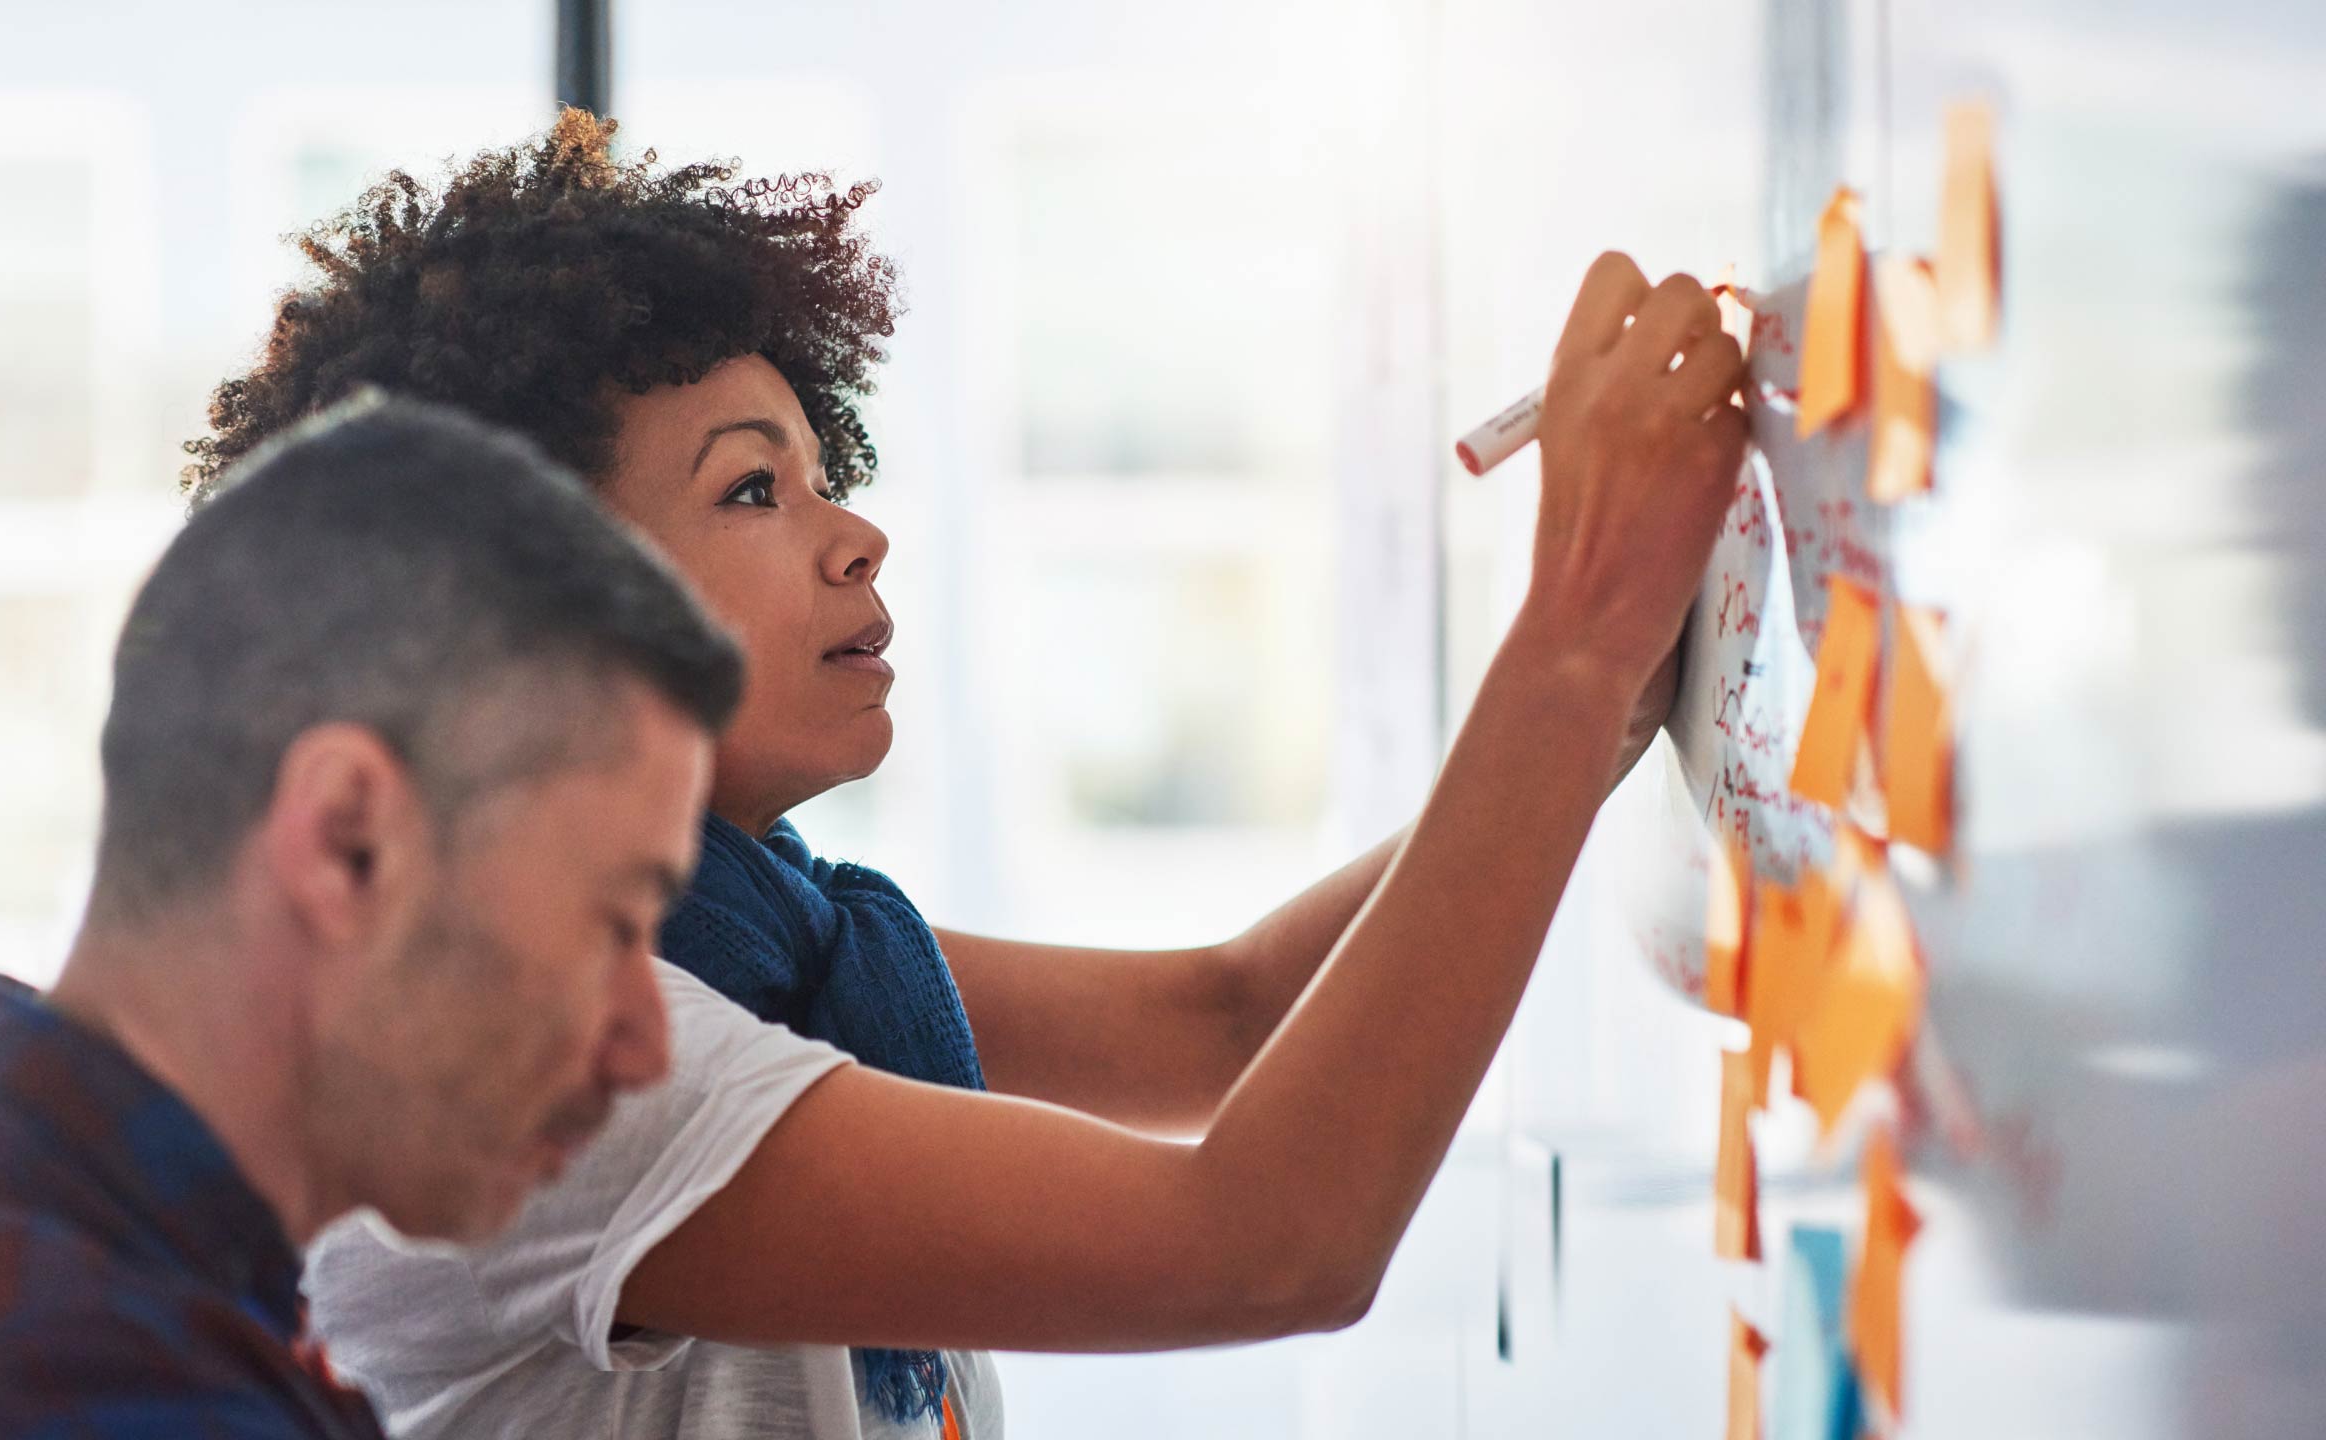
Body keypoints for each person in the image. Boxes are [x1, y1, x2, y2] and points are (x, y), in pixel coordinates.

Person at [189, 112, 1746, 1440]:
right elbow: (1270, 1244)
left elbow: (1230, 1015)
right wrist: (1572, 634)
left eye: (822, 473)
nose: (851, 533)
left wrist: (1603, 708)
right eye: (751, 487)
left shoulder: (777, 955)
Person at [0, 397, 748, 1438]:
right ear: (347, 842)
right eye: (610, 926)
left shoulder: (28, 1221)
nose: (644, 1046)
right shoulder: (56, 1365)